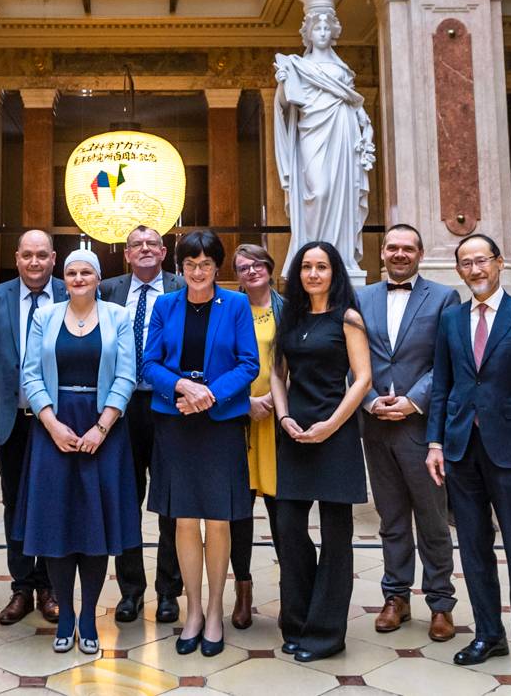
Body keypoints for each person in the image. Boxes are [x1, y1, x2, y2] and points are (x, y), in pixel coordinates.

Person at [425, 234, 511, 685]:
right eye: (466, 263)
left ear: (498, 264)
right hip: (461, 449)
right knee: (474, 546)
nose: (475, 269)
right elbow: (441, 387)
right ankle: (488, 634)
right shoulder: (451, 320)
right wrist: (435, 444)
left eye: (481, 260)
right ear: (459, 270)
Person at [140, 229, 259, 659]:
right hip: (175, 423)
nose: (197, 272)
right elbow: (149, 362)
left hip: (220, 423)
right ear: (180, 265)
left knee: (220, 521)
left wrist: (209, 395)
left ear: (217, 267)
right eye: (190, 264)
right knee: (184, 521)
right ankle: (191, 612)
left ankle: (213, 613)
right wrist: (182, 389)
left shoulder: (237, 304)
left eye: (206, 264)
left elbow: (249, 363)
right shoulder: (165, 305)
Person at [15, 249, 139, 655]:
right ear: (62, 277)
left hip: (104, 428)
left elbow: (127, 374)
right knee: (57, 524)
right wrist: (50, 423)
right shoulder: (45, 316)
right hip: (54, 427)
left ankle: (88, 617)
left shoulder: (118, 317)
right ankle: (64, 615)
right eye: (71, 272)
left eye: (86, 271)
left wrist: (102, 426)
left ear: (99, 277)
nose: (79, 277)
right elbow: (30, 372)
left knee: (95, 527)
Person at [356, 224, 460, 641]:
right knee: (391, 517)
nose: (400, 254)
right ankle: (395, 596)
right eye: (393, 247)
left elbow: (447, 360)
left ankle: (440, 603)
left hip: (422, 425)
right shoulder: (361, 298)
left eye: (408, 248)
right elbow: (350, 357)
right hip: (376, 425)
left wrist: (413, 400)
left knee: (433, 519)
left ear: (419, 253)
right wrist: (368, 400)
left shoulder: (443, 297)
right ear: (381, 252)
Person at [269, 241, 371, 663]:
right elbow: (277, 374)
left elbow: (363, 378)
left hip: (337, 433)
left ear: (334, 273)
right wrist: (283, 416)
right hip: (294, 432)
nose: (313, 274)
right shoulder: (289, 318)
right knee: (289, 530)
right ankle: (297, 622)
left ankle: (327, 633)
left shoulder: (347, 318)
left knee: (335, 537)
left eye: (321, 267)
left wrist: (331, 424)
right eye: (307, 267)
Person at [98, 224, 185, 623]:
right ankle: (130, 590)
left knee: (171, 503)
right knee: (124, 501)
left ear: (164, 253)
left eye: (153, 244)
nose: (145, 249)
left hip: (171, 407)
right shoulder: (108, 290)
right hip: (121, 408)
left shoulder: (184, 288)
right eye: (137, 245)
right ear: (127, 254)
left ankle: (169, 591)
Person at [0, 229, 65, 626]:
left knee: (52, 503)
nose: (34, 262)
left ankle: (49, 585)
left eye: (42, 255)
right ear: (16, 258)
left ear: (53, 258)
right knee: (14, 503)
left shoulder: (74, 292)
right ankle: (21, 586)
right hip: (12, 421)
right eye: (27, 255)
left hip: (58, 422)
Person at [272, 6, 375, 274]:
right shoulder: (297, 65)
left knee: (342, 189)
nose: (322, 32)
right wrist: (282, 84)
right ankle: (312, 254)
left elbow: (353, 101)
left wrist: (364, 126)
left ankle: (340, 256)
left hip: (341, 126)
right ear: (307, 33)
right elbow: (285, 105)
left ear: (334, 33)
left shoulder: (344, 69)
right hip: (311, 128)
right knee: (317, 191)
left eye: (327, 28)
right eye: (317, 28)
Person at [230, 242, 284, 630]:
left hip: (279, 421)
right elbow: (217, 360)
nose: (251, 272)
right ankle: (243, 590)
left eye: (257, 265)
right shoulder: (229, 309)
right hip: (238, 421)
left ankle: (292, 592)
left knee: (284, 514)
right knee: (238, 516)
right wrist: (245, 401)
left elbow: (298, 359)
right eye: (242, 267)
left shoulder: (289, 309)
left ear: (269, 267)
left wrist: (272, 400)